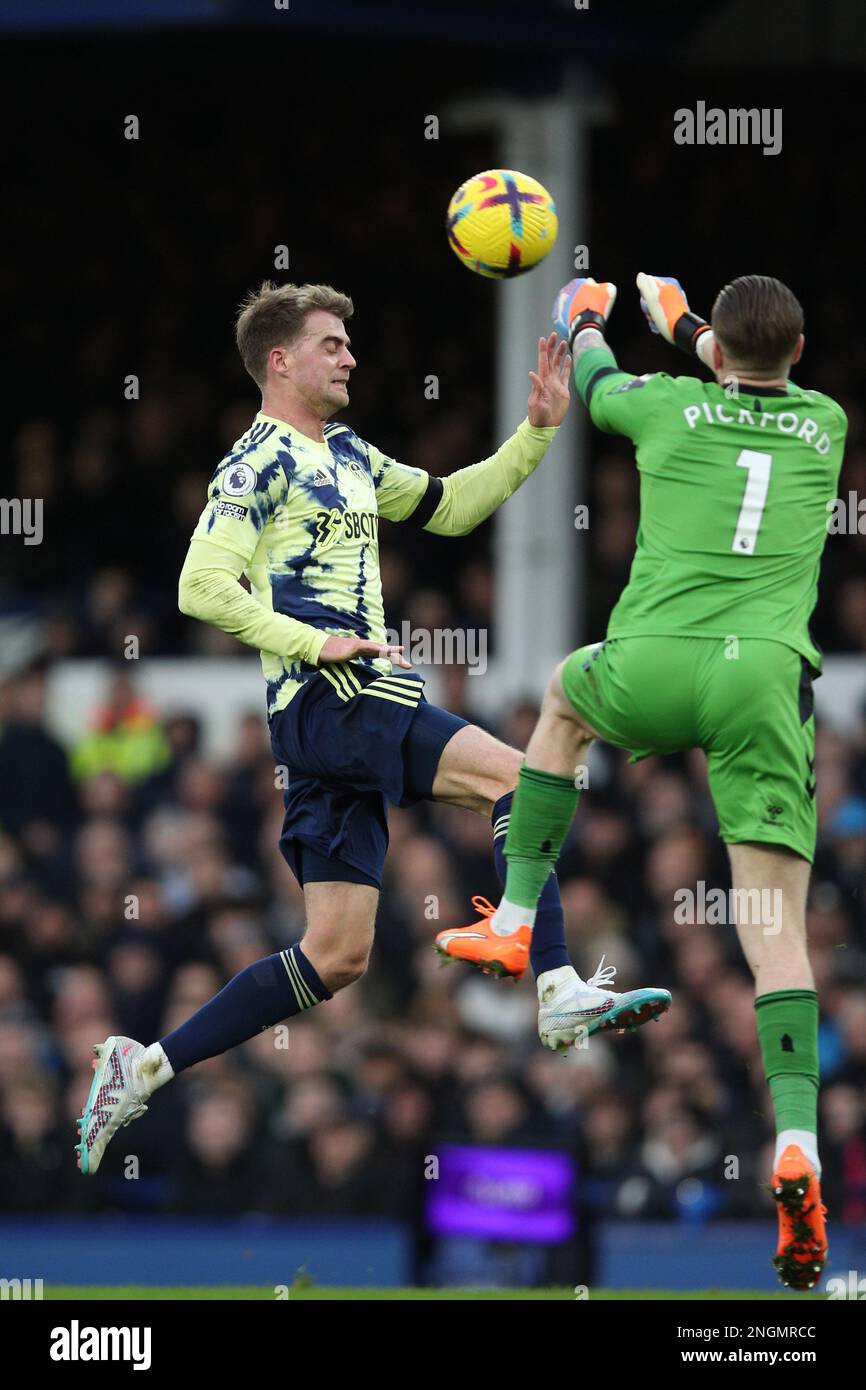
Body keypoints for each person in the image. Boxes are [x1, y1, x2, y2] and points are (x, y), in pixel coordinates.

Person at [76, 281, 667, 1179]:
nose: (350, 355)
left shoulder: (347, 451)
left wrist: (539, 430)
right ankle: (554, 986)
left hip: (331, 720)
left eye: (349, 342)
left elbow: (452, 506)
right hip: (336, 695)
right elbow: (204, 586)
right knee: (524, 777)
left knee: (338, 954)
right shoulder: (256, 464)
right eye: (331, 343)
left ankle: (145, 1065)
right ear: (281, 361)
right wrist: (316, 643)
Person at [445, 271, 846, 1289]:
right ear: (795, 354)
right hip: (758, 680)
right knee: (774, 935)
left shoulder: (660, 404)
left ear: (712, 350)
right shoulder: (823, 423)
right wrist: (682, 317)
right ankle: (792, 1140)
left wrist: (581, 308)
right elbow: (732, 360)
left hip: (654, 662)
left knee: (560, 702)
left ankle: (515, 914)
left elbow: (593, 371)